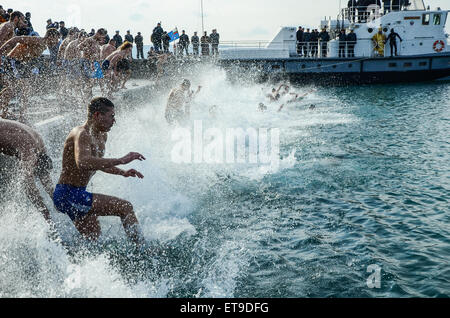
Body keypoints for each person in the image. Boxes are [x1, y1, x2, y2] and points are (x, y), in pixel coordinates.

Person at [53, 97, 146, 245]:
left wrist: (122, 172)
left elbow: (97, 163)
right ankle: (142, 250)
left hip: (77, 194)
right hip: (68, 194)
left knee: (93, 240)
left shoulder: (103, 136)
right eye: (111, 116)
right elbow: (83, 162)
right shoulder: (81, 133)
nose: (113, 121)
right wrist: (121, 159)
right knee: (125, 207)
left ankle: (75, 262)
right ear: (97, 115)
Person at [0, 119, 55, 229]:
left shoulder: (39, 148)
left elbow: (46, 181)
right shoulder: (29, 149)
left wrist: (57, 200)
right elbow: (28, 185)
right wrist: (46, 214)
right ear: (35, 163)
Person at [0, 28, 60, 120]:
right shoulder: (38, 40)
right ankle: (9, 113)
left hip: (22, 64)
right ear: (51, 36)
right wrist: (1, 50)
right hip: (13, 61)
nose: (57, 41)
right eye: (56, 38)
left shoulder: (44, 46)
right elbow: (15, 39)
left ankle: (20, 115)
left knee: (23, 89)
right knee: (15, 88)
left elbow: (30, 57)